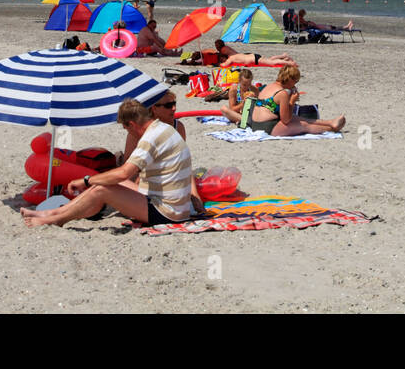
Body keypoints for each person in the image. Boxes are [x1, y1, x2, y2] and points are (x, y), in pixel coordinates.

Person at [22, 94, 202, 229]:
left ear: (131, 124)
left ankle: (56, 219)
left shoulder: (151, 137)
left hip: (167, 212)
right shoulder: (163, 128)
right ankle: (53, 212)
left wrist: (86, 180)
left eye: (126, 128)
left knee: (101, 188)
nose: (128, 133)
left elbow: (124, 172)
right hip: (174, 203)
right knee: (106, 182)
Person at [247, 65, 345, 136]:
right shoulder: (282, 93)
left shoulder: (268, 87)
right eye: (295, 81)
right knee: (304, 125)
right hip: (268, 127)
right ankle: (333, 129)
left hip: (255, 125)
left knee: (297, 118)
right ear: (289, 79)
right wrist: (292, 101)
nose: (295, 84)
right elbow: (286, 120)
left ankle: (330, 122)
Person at [214, 39, 297, 67]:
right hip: (252, 56)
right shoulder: (229, 52)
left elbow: (224, 65)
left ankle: (290, 63)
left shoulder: (229, 57)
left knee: (272, 63)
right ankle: (283, 56)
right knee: (269, 60)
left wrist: (217, 64)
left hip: (253, 59)